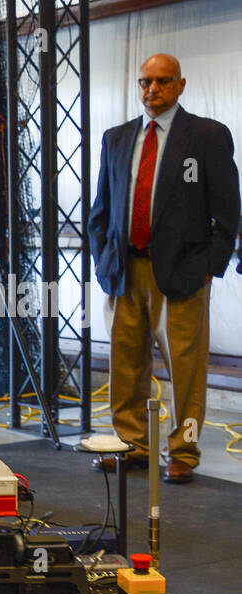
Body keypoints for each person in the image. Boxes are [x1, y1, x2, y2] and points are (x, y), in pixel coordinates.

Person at [89, 53, 239, 484]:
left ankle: (183, 452)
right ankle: (131, 445)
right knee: (125, 363)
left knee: (186, 368)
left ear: (180, 85)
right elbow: (101, 209)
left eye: (161, 81)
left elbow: (228, 210)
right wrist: (103, 259)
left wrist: (211, 266)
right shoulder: (116, 139)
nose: (151, 89)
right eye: (145, 81)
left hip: (182, 274)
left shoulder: (207, 136)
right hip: (124, 270)